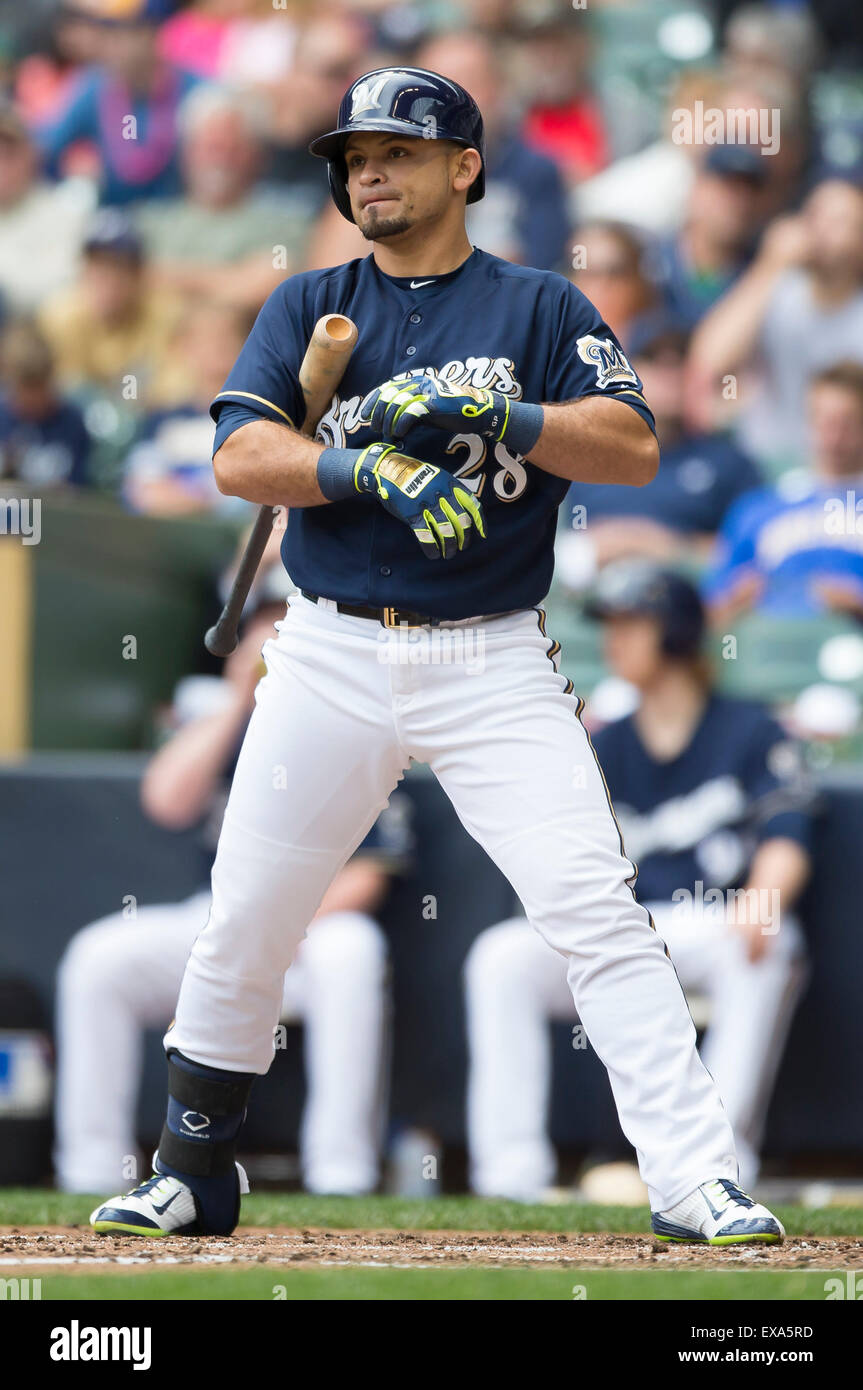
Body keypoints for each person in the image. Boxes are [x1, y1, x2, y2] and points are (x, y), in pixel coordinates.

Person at [90, 65, 784, 1246]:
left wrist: (492, 418)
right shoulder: (307, 302)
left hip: (492, 656)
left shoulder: (538, 309)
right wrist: (363, 465)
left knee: (592, 908)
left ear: (464, 166)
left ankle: (691, 1177)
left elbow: (628, 445)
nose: (367, 170)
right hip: (329, 648)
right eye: (353, 156)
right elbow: (240, 459)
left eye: (394, 152)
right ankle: (192, 1168)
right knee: (248, 911)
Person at [465, 564, 813, 1198]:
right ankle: (511, 1179)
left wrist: (763, 902)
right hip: (622, 928)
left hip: (712, 923)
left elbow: (787, 836)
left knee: (772, 937)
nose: (614, 640)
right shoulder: (601, 744)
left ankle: (718, 1171)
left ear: (677, 633)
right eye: (611, 625)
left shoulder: (750, 729)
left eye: (632, 623)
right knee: (502, 957)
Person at [56, 579, 410, 1197]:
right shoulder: (227, 722)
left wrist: (283, 928)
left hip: (314, 929)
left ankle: (342, 1172)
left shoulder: (361, 720)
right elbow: (165, 799)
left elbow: (367, 876)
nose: (270, 642)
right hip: (222, 922)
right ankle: (90, 1168)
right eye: (260, 626)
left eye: (285, 626)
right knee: (100, 957)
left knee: (352, 950)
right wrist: (234, 701)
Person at [557, 314, 762, 587]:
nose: (669, 373)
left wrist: (654, 544)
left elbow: (750, 557)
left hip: (686, 597)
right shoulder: (587, 455)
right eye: (654, 360)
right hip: (593, 598)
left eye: (680, 362)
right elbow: (553, 548)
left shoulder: (728, 460)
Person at [690, 179, 863, 468]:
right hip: (764, 465)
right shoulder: (772, 290)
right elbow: (709, 361)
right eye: (814, 216)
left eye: (840, 222)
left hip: (845, 470)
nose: (820, 230)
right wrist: (770, 265)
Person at [705, 361, 863, 626]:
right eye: (824, 421)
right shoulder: (757, 509)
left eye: (846, 423)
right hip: (769, 645)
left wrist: (855, 602)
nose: (833, 437)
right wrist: (738, 597)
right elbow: (709, 616)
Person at [134, 85, 313, 314]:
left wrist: (166, 277)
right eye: (211, 147)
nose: (221, 160)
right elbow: (118, 286)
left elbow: (267, 288)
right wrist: (228, 278)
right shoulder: (150, 222)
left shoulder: (285, 222)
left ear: (257, 156)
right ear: (187, 152)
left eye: (233, 148)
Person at [38, 0, 198, 207]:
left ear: (152, 34)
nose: (112, 45)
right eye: (107, 32)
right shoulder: (94, 88)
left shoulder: (192, 88)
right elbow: (44, 148)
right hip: (113, 221)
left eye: (124, 33)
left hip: (178, 216)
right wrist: (67, 178)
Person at [38, 208, 184, 411]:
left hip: (148, 422)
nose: (106, 279)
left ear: (139, 275)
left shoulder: (165, 314)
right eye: (97, 266)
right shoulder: (61, 316)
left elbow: (177, 387)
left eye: (118, 268)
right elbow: (60, 391)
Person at [123, 300, 254, 516]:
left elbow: (250, 495)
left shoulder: (254, 419)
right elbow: (140, 490)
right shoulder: (161, 419)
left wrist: (198, 498)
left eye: (226, 337)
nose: (217, 347)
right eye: (204, 340)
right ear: (184, 347)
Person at [0, 101, 93, 314]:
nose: (1, 166)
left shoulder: (66, 211)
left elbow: (66, 288)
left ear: (32, 155)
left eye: (8, 154)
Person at [0, 317, 91, 487]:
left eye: (40, 387)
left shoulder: (72, 422)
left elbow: (79, 490)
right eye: (26, 389)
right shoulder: (3, 418)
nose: (33, 399)